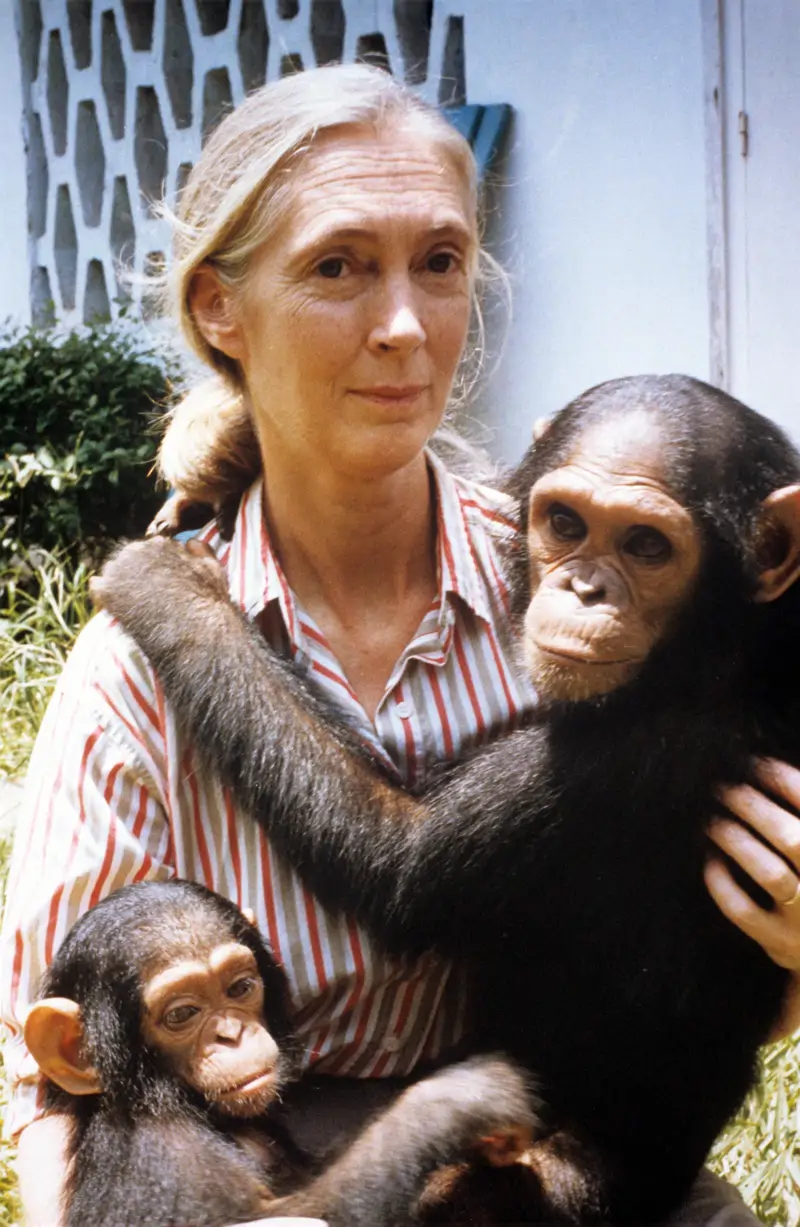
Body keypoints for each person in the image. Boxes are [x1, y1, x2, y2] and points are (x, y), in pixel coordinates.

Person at [2, 63, 800, 1227]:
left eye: (438, 264)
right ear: (219, 308)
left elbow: (455, 883)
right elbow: (61, 1083)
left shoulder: (642, 646)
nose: (401, 326)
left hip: (539, 1150)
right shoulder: (133, 678)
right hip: (265, 1151)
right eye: (337, 266)